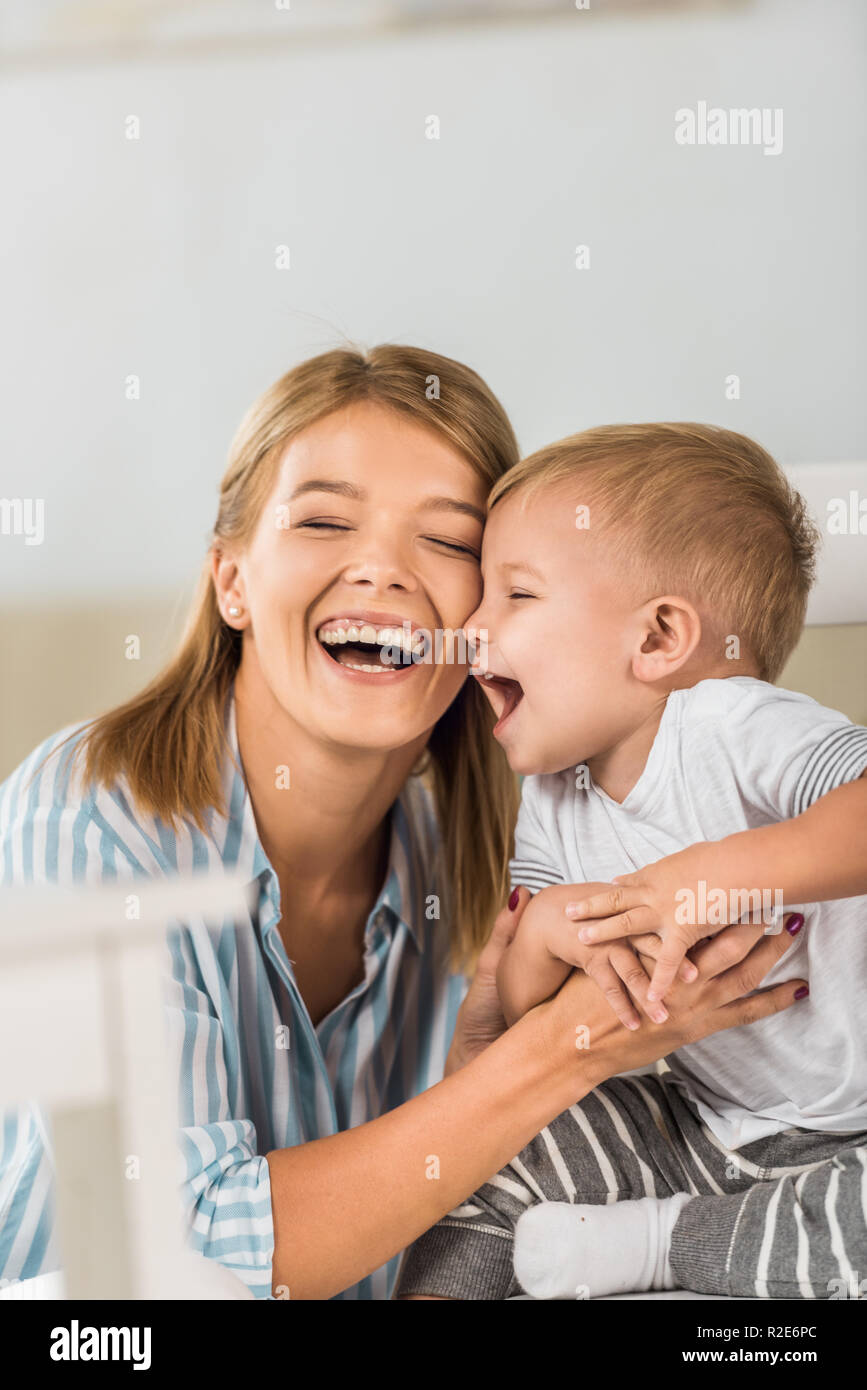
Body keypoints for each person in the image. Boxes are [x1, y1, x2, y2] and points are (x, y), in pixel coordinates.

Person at [0, 361, 805, 1301]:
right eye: (324, 521)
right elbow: (176, 1257)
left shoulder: (485, 852)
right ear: (233, 582)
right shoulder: (85, 819)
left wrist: (486, 1063)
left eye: (446, 539)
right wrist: (557, 1050)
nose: (383, 567)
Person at [395, 421, 867, 1301]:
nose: (472, 626)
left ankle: (662, 1243)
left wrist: (713, 874)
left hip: (853, 1136)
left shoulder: (734, 726)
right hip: (698, 1128)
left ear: (656, 639)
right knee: (489, 1158)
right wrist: (539, 936)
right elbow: (531, 1010)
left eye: (516, 596)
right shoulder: (552, 797)